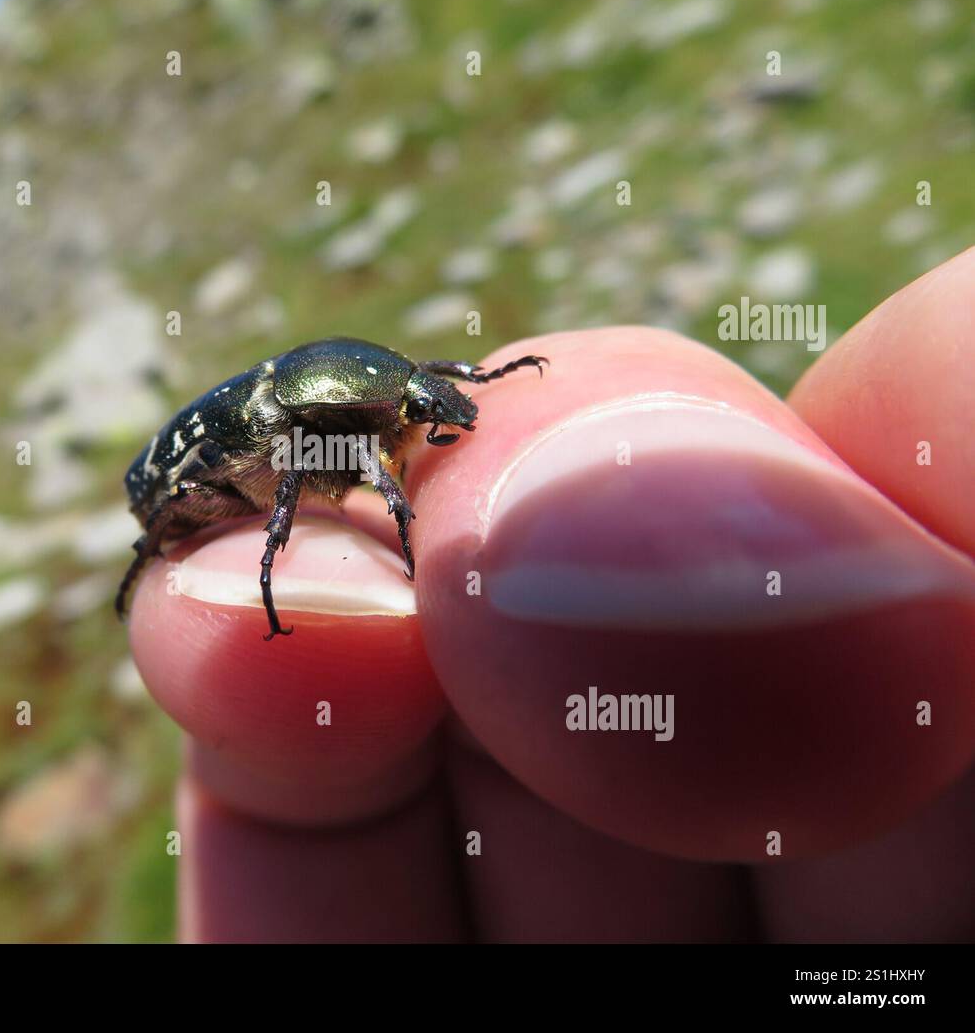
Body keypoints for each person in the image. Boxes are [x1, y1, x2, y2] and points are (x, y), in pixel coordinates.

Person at [125, 248, 975, 942]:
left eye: (423, 393)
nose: (434, 408)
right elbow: (308, 477)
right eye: (414, 399)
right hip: (202, 485)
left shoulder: (368, 402)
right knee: (277, 491)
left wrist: (477, 382)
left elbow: (414, 396)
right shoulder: (300, 427)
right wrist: (333, 537)